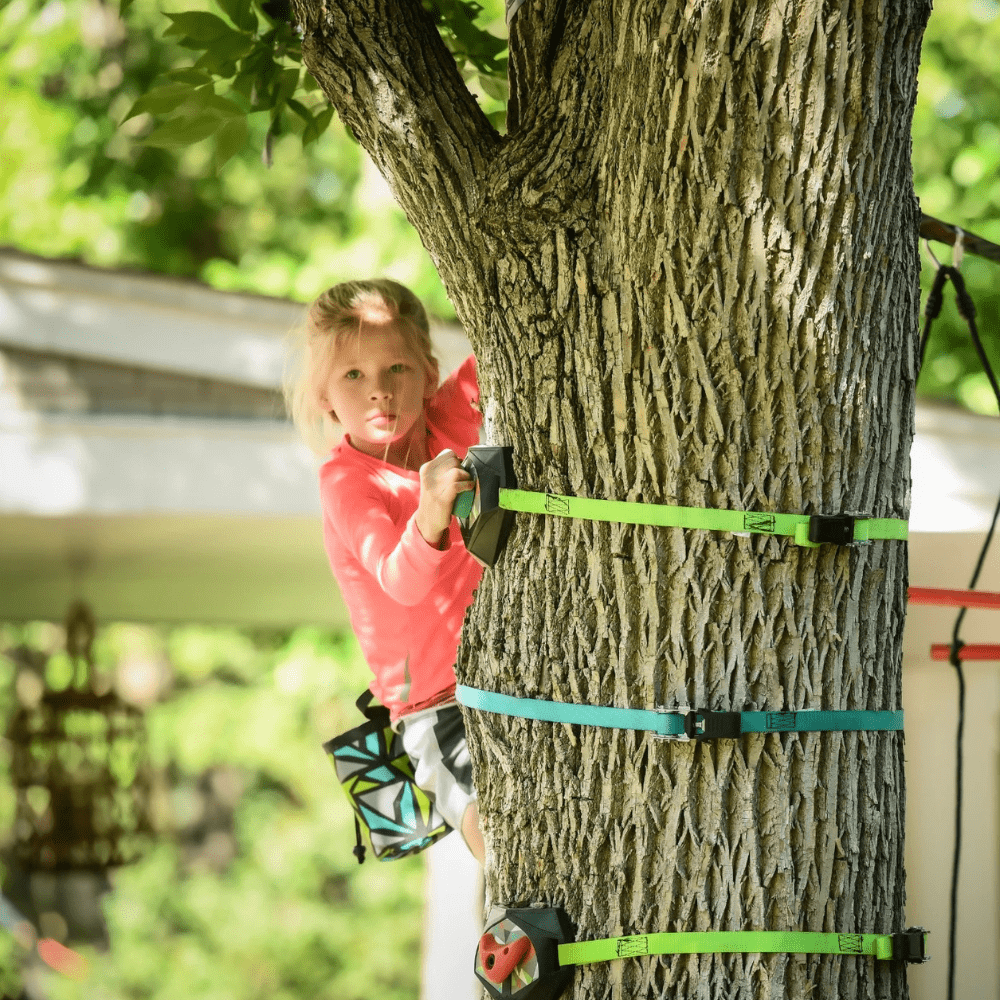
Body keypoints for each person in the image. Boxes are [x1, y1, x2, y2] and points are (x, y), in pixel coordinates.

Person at [286, 278, 485, 863]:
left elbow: (506, 353)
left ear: (427, 371)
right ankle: (513, 920)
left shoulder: (449, 417)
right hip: (434, 701)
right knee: (491, 824)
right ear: (324, 397)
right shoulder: (348, 481)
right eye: (353, 376)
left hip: (510, 669)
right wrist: (428, 512)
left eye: (395, 368)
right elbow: (399, 578)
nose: (379, 392)